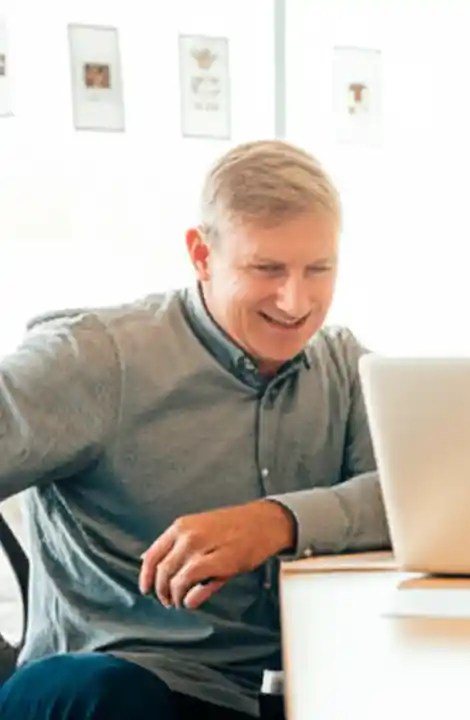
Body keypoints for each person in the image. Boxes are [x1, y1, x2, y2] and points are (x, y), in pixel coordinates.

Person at [0, 140, 389, 718]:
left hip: (275, 693)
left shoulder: (344, 367)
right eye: (268, 269)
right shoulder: (96, 357)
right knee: (112, 697)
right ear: (201, 255)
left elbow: (415, 496)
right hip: (117, 681)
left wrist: (278, 521)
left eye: (319, 269)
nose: (296, 300)